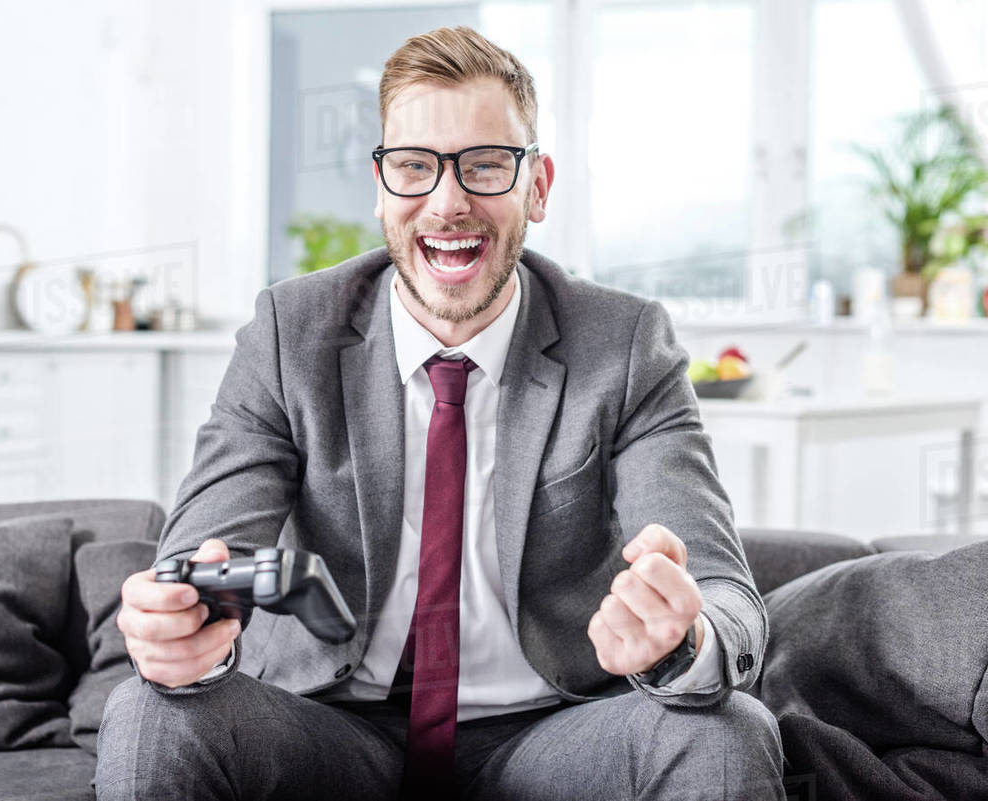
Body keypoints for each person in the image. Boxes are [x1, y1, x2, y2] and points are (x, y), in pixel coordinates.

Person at [95, 26, 785, 801]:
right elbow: (200, 552)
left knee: (726, 732)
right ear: (382, 187)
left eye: (487, 165)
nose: (448, 202)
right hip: (329, 725)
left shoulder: (624, 345)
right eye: (415, 167)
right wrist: (180, 631)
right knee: (149, 716)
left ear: (539, 186)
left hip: (549, 731)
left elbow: (727, 595)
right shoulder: (291, 333)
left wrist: (681, 638)